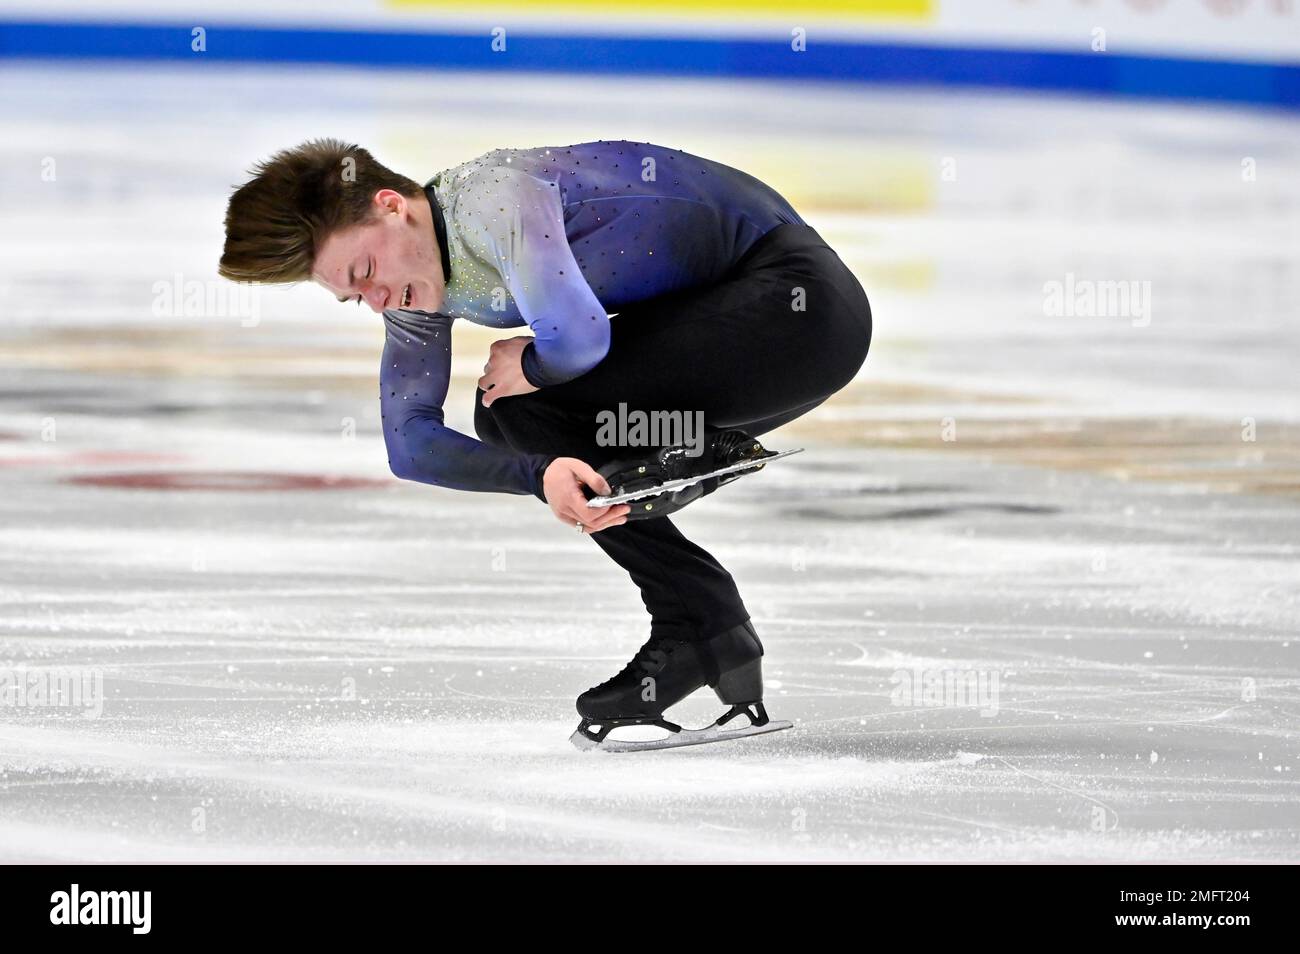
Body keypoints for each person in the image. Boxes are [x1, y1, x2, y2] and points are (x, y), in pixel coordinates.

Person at [219, 138, 872, 750]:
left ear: (391, 207)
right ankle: (705, 621)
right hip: (740, 344)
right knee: (508, 420)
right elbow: (409, 445)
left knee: (522, 401)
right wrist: (540, 475)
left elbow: (581, 336)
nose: (376, 300)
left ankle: (697, 569)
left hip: (800, 310)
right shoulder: (413, 288)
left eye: (365, 271)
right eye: (351, 296)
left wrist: (531, 366)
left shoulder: (492, 197)